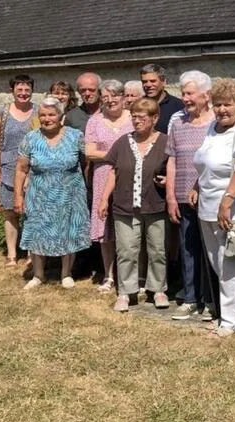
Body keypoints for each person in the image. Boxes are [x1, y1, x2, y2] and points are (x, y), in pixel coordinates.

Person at [190, 78, 235, 338]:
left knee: (229, 266)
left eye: (228, 105)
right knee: (217, 264)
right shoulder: (213, 127)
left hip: (233, 210)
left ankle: (231, 320)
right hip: (208, 207)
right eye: (218, 104)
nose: (222, 109)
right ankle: (228, 313)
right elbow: (206, 162)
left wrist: (227, 201)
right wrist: (197, 186)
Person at [99, 98, 171, 311]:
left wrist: (167, 180)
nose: (137, 121)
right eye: (134, 117)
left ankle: (157, 290)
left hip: (155, 205)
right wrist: (104, 199)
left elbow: (174, 169)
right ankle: (125, 292)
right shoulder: (123, 142)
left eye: (142, 117)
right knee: (127, 251)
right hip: (125, 206)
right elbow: (113, 171)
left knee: (157, 250)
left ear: (155, 118)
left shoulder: (166, 141)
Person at [13, 97, 91, 289]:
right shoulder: (31, 138)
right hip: (40, 195)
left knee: (68, 231)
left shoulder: (75, 136)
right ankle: (39, 275)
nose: (47, 119)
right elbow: (21, 169)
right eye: (43, 115)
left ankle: (66, 273)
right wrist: (18, 197)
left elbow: (85, 162)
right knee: (38, 231)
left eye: (51, 114)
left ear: (61, 117)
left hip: (70, 194)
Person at [167, 70, 216, 321]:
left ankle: (210, 300)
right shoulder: (177, 123)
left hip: (210, 196)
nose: (184, 98)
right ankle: (189, 298)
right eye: (183, 93)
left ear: (205, 95)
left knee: (210, 250)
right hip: (183, 196)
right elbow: (172, 161)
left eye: (189, 93)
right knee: (188, 248)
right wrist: (171, 197)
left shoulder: (217, 123)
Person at [84, 79, 134, 293]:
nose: (111, 100)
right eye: (106, 97)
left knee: (131, 227)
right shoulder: (95, 121)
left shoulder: (134, 117)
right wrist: (117, 154)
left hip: (131, 176)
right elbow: (89, 152)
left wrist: (112, 155)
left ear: (124, 97)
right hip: (103, 176)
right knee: (106, 229)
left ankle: (131, 276)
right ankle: (109, 275)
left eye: (115, 95)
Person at [0, 74, 39, 266]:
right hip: (8, 167)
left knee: (31, 212)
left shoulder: (38, 112)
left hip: (33, 168)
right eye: (20, 90)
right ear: (12, 91)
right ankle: (11, 254)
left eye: (27, 90)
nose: (24, 93)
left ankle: (31, 253)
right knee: (10, 212)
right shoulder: (2, 113)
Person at [140, 64, 185, 134]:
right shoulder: (138, 105)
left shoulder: (179, 106)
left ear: (164, 82)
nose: (148, 85)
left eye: (153, 81)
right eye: (144, 82)